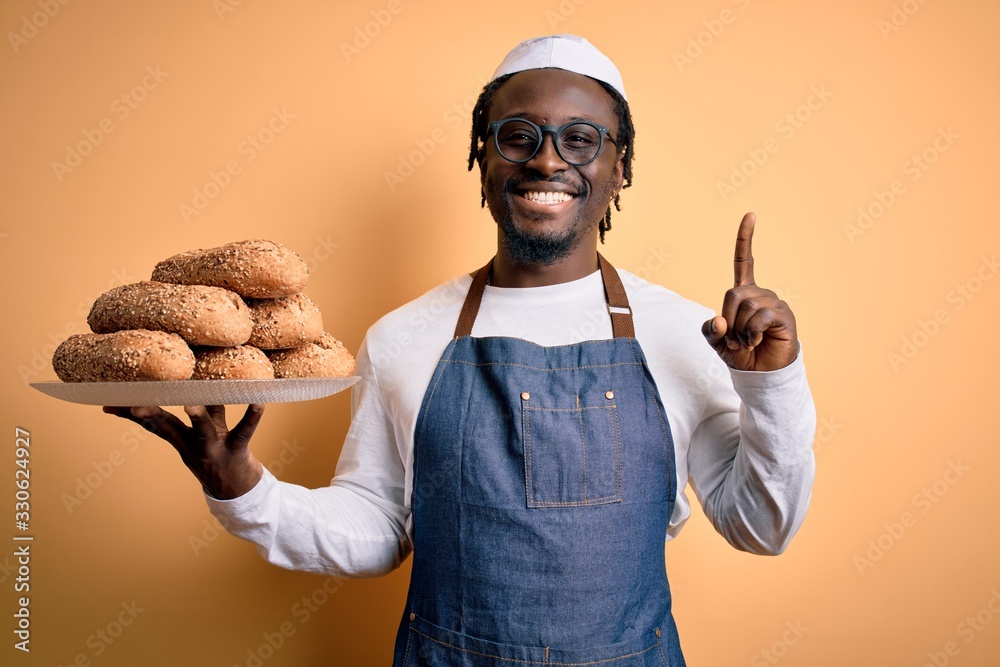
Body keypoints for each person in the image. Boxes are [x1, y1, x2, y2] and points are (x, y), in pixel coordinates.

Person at [105, 34, 815, 667]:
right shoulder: (404, 336)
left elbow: (763, 526)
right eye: (517, 135)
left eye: (580, 139)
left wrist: (772, 385)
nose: (546, 158)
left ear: (618, 168)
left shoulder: (687, 334)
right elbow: (379, 528)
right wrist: (245, 492)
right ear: (481, 157)